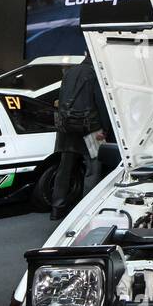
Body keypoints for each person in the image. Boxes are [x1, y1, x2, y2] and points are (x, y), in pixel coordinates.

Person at [50, 57, 101, 220]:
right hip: (91, 129)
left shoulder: (70, 72)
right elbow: (100, 102)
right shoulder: (97, 73)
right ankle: (85, 213)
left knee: (64, 169)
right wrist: (105, 128)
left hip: (68, 128)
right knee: (93, 170)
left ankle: (56, 208)